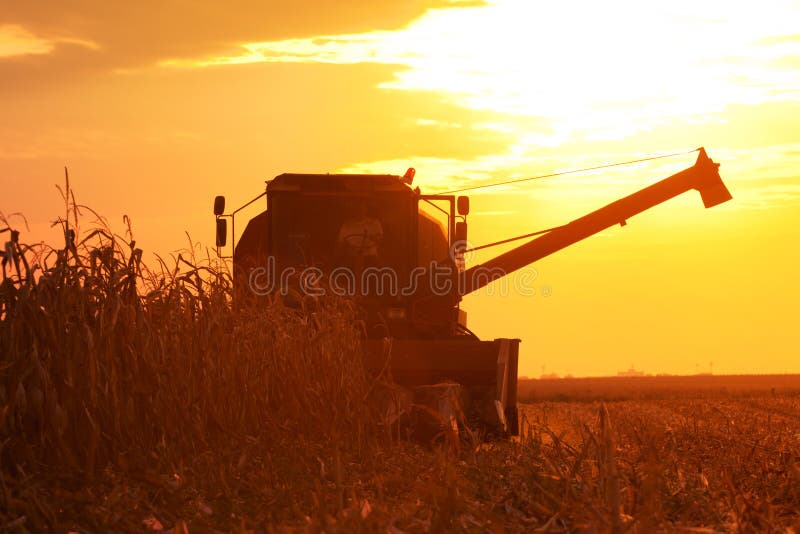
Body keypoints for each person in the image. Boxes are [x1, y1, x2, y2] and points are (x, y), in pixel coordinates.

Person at [336, 202, 383, 267]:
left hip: (369, 256)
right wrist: (337, 258)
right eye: (356, 208)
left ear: (366, 209)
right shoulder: (347, 224)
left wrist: (374, 238)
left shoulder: (374, 223)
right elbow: (340, 243)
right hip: (351, 257)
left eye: (361, 207)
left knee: (374, 271)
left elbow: (380, 239)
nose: (359, 210)